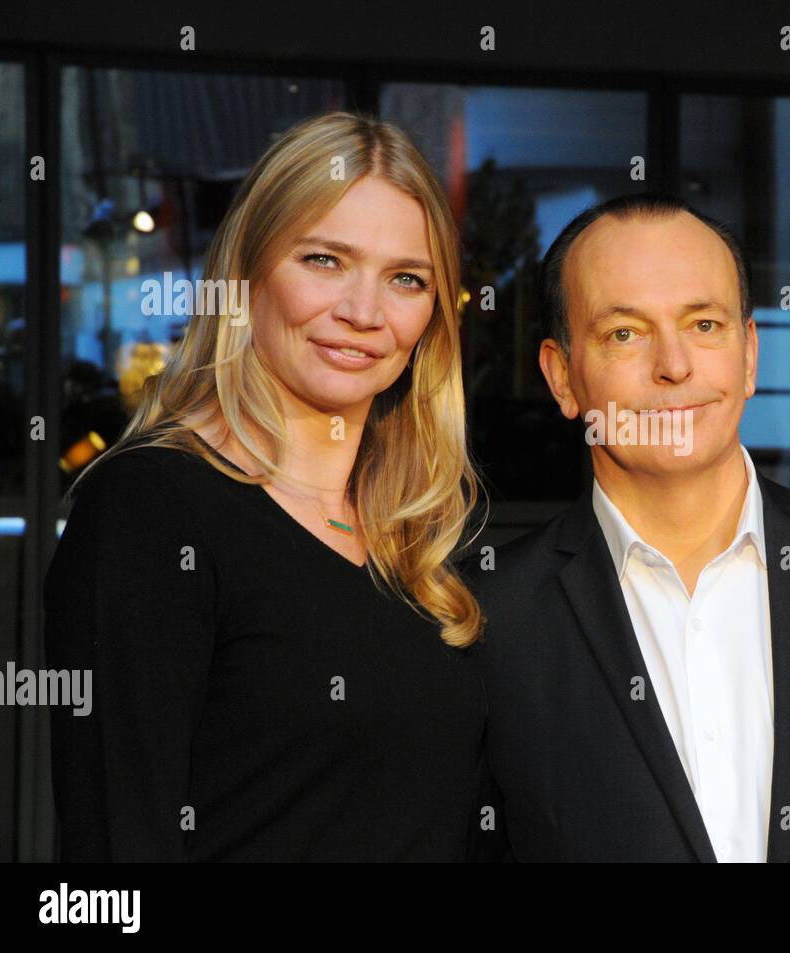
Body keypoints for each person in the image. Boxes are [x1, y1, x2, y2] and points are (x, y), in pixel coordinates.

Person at [466, 194, 790, 862]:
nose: (675, 365)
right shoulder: (486, 616)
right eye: (624, 333)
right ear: (562, 377)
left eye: (705, 325)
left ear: (749, 355)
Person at [45, 112, 486, 861]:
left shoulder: (418, 536)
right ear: (246, 275)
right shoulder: (149, 511)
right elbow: (116, 850)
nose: (362, 312)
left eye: (406, 278)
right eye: (324, 260)